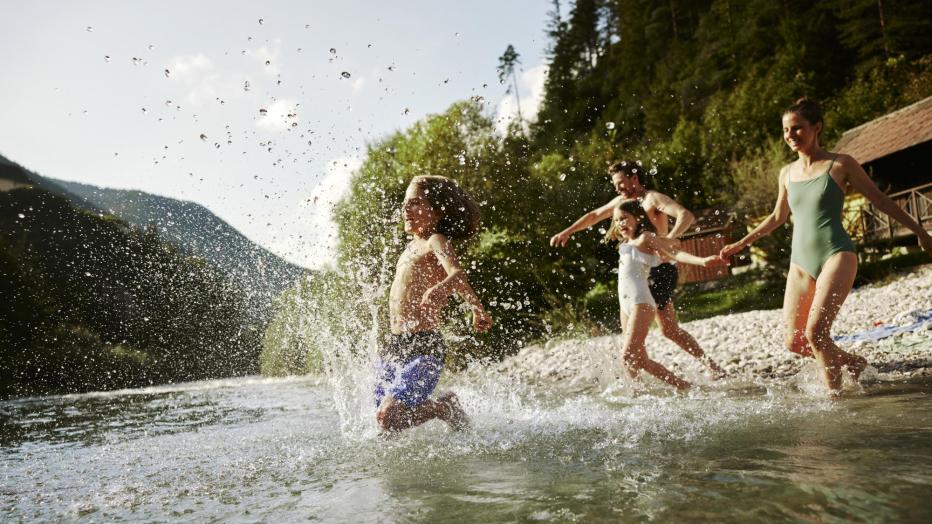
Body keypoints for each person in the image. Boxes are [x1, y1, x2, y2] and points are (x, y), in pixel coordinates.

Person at [719, 97, 932, 392]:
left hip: (837, 254)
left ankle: (834, 402)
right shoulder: (786, 173)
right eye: (785, 130)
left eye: (797, 128)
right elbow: (777, 216)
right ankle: (852, 363)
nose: (790, 135)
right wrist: (742, 242)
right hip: (800, 262)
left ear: (816, 127)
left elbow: (879, 200)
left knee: (816, 333)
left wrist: (919, 230)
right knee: (794, 342)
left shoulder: (841, 164)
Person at [550, 160, 726, 378]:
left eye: (621, 183)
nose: (617, 188)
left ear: (634, 178)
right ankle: (639, 386)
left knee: (664, 332)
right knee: (645, 335)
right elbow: (594, 215)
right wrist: (568, 231)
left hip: (659, 271)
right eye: (615, 184)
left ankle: (699, 372)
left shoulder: (652, 199)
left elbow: (686, 216)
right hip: (638, 273)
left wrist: (669, 239)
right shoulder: (620, 203)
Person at [375, 175, 493, 433]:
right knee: (385, 425)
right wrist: (476, 307)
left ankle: (443, 407)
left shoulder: (436, 240)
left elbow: (457, 274)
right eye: (405, 203)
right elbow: (461, 285)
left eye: (416, 203)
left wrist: (442, 288)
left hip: (424, 345)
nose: (406, 209)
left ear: (437, 211)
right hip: (394, 345)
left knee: (388, 417)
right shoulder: (409, 248)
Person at [604, 199, 724, 389]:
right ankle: (646, 394)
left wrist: (702, 261)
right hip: (625, 306)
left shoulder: (646, 238)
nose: (621, 223)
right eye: (617, 220)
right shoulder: (625, 243)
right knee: (635, 361)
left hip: (641, 303)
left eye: (625, 218)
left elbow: (673, 253)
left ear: (638, 218)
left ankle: (683, 386)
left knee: (628, 355)